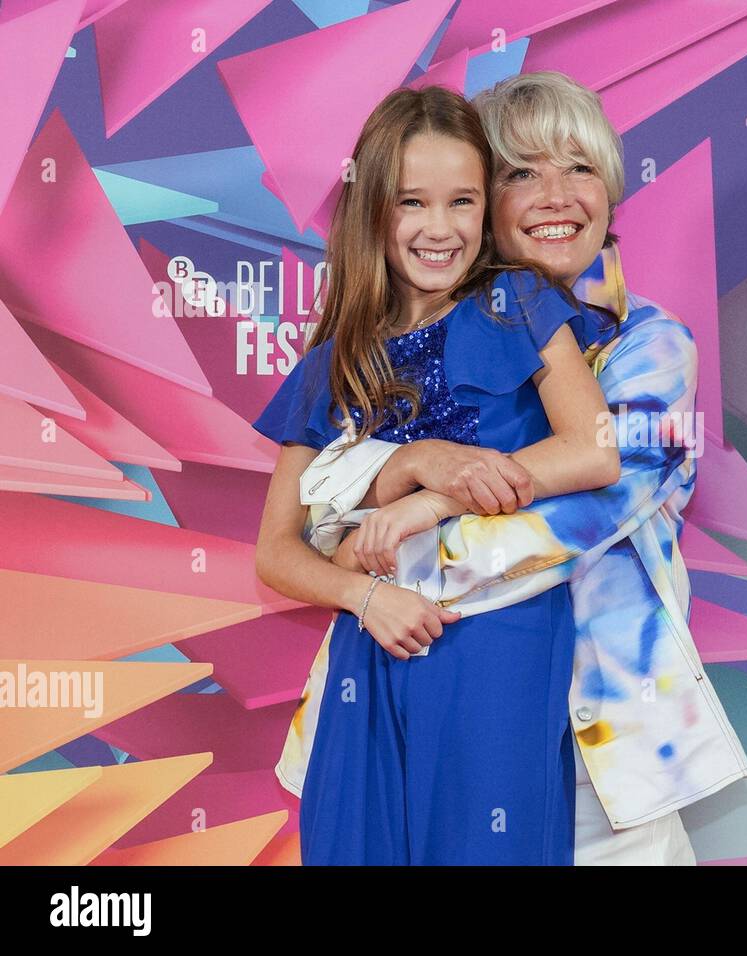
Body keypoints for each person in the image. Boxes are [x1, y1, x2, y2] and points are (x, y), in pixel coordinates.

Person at [278, 72, 747, 865]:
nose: (557, 195)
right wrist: (384, 499)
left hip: (603, 745)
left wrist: (417, 506)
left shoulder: (651, 347)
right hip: (404, 713)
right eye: (522, 172)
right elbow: (308, 525)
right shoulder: (400, 350)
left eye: (581, 167)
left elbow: (582, 507)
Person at [252, 84, 620, 865]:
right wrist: (365, 595)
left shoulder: (516, 302)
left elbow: (592, 449)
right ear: (372, 210)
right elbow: (276, 551)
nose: (440, 227)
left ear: (487, 210)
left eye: (463, 201)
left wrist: (430, 498)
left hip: (498, 630)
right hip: (372, 644)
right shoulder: (333, 362)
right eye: (412, 202)